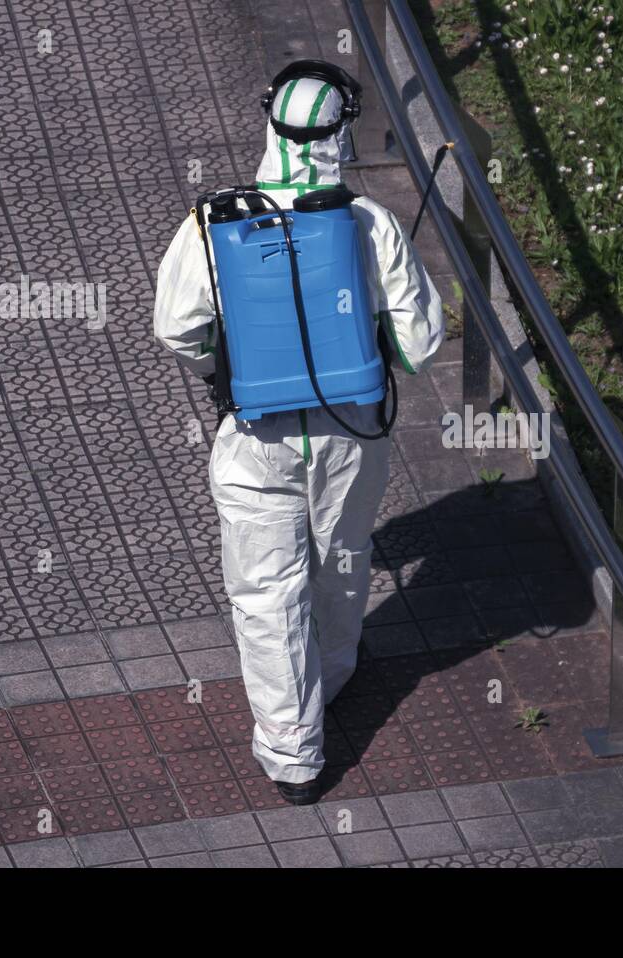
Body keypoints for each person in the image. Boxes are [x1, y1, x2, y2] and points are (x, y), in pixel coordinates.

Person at [153, 62, 444, 804]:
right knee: (342, 553)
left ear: (269, 125)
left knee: (265, 591)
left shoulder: (211, 222)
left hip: (256, 435)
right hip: (352, 434)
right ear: (341, 132)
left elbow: (177, 329)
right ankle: (336, 672)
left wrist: (234, 364)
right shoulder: (367, 221)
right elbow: (422, 342)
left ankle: (294, 758)